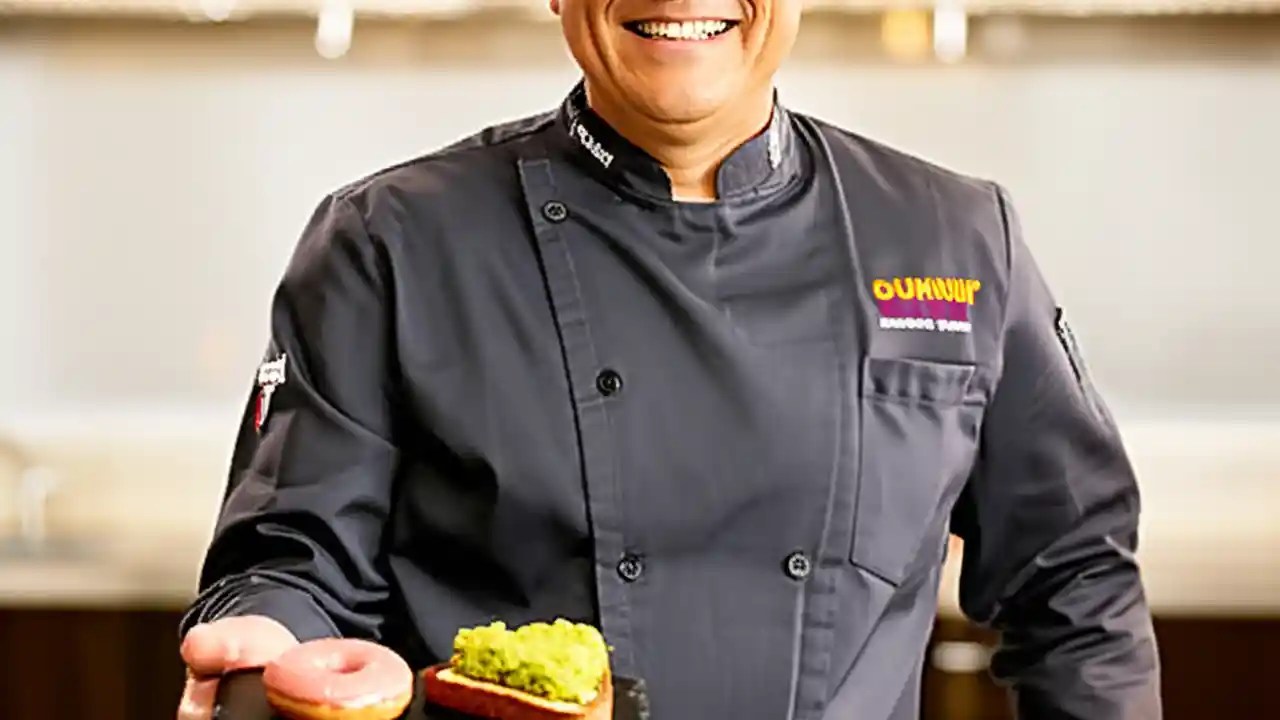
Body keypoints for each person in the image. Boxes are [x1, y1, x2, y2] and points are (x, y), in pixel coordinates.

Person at [176, 0, 1162, 718]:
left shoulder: (950, 237)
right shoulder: (389, 242)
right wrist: (268, 642)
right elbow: (293, 565)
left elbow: (1073, 579)